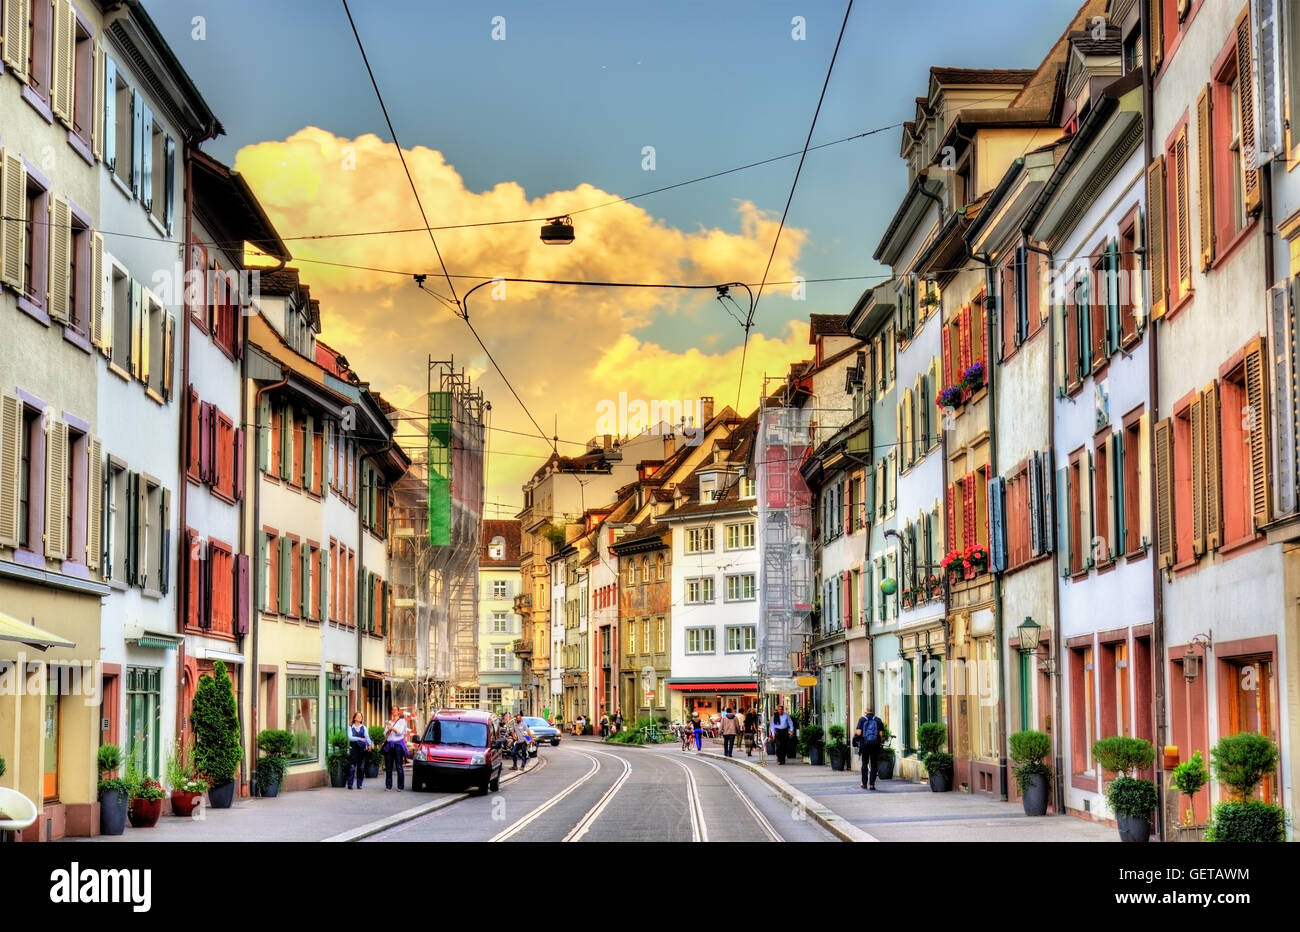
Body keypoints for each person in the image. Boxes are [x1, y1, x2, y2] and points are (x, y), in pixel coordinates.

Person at [854, 706, 886, 790]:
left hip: (865, 745)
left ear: (866, 712)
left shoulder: (862, 719)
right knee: (874, 764)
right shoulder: (878, 720)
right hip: (875, 745)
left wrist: (856, 737)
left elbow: (859, 732)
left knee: (865, 763)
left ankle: (864, 784)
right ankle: (872, 784)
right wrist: (881, 742)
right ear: (873, 712)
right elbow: (881, 734)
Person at [383, 706, 408, 791]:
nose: (393, 711)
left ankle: (400, 786)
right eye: (392, 710)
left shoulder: (402, 721)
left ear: (398, 712)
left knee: (398, 766)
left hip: (398, 745)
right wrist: (388, 730)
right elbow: (385, 735)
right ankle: (388, 786)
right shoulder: (388, 722)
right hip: (389, 745)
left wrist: (392, 728)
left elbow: (400, 732)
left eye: (395, 710)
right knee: (388, 767)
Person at [347, 712, 372, 790]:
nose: (359, 717)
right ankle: (350, 784)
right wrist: (360, 738)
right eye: (358, 716)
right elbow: (350, 737)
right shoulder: (350, 727)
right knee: (352, 767)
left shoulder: (364, 727)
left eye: (361, 716)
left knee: (361, 768)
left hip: (362, 750)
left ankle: (359, 784)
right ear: (354, 718)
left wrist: (370, 744)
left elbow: (367, 737)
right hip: (353, 749)